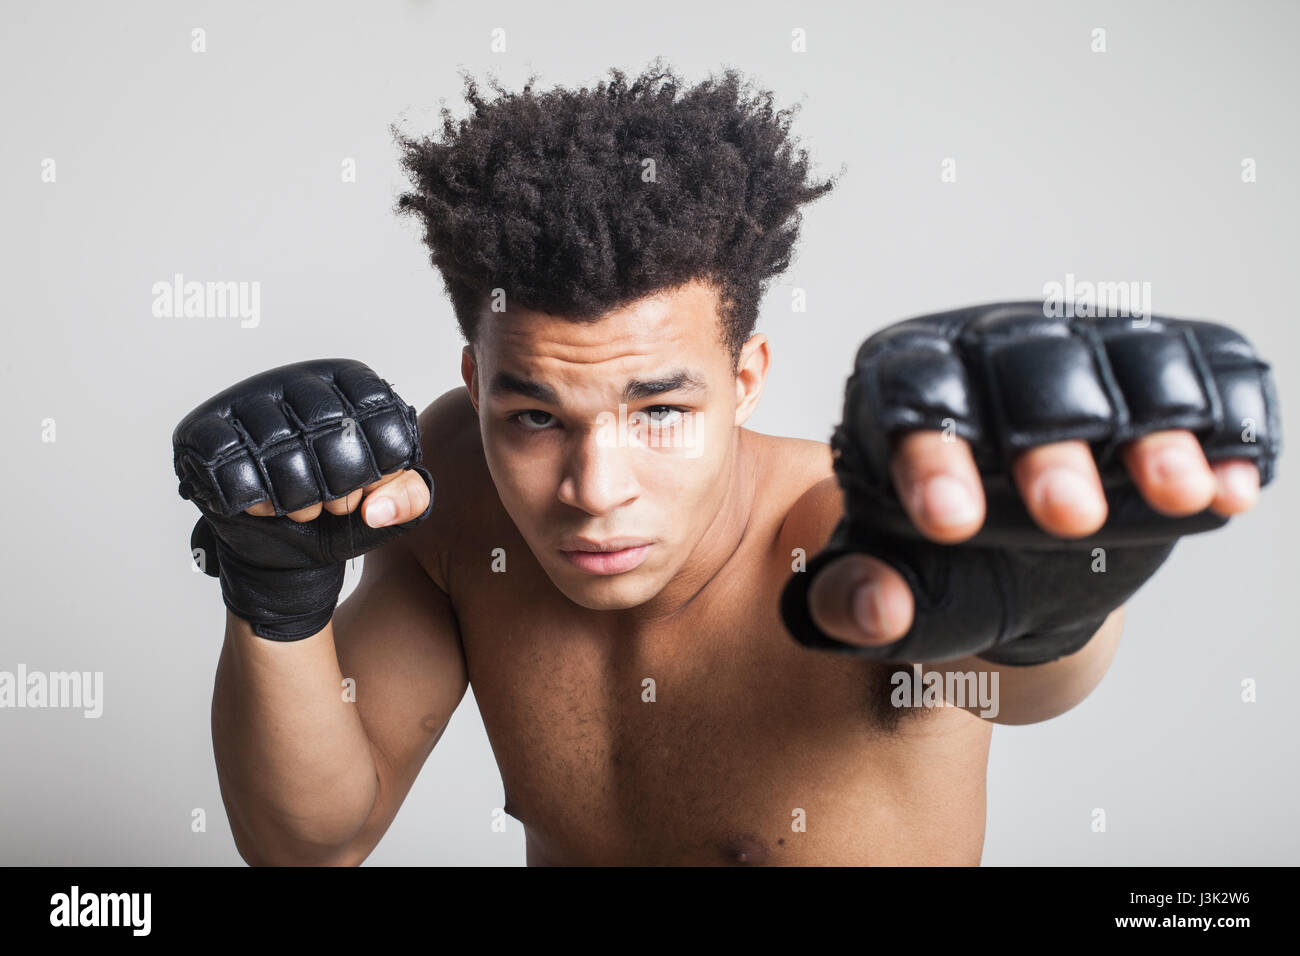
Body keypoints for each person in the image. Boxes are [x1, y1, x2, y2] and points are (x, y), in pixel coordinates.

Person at [172, 63, 1278, 866]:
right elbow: (311, 840)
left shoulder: (846, 528)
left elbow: (1023, 683)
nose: (595, 489)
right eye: (537, 418)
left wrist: (1054, 615)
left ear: (746, 374)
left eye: (658, 409)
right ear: (476, 376)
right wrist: (278, 599)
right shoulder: (457, 496)